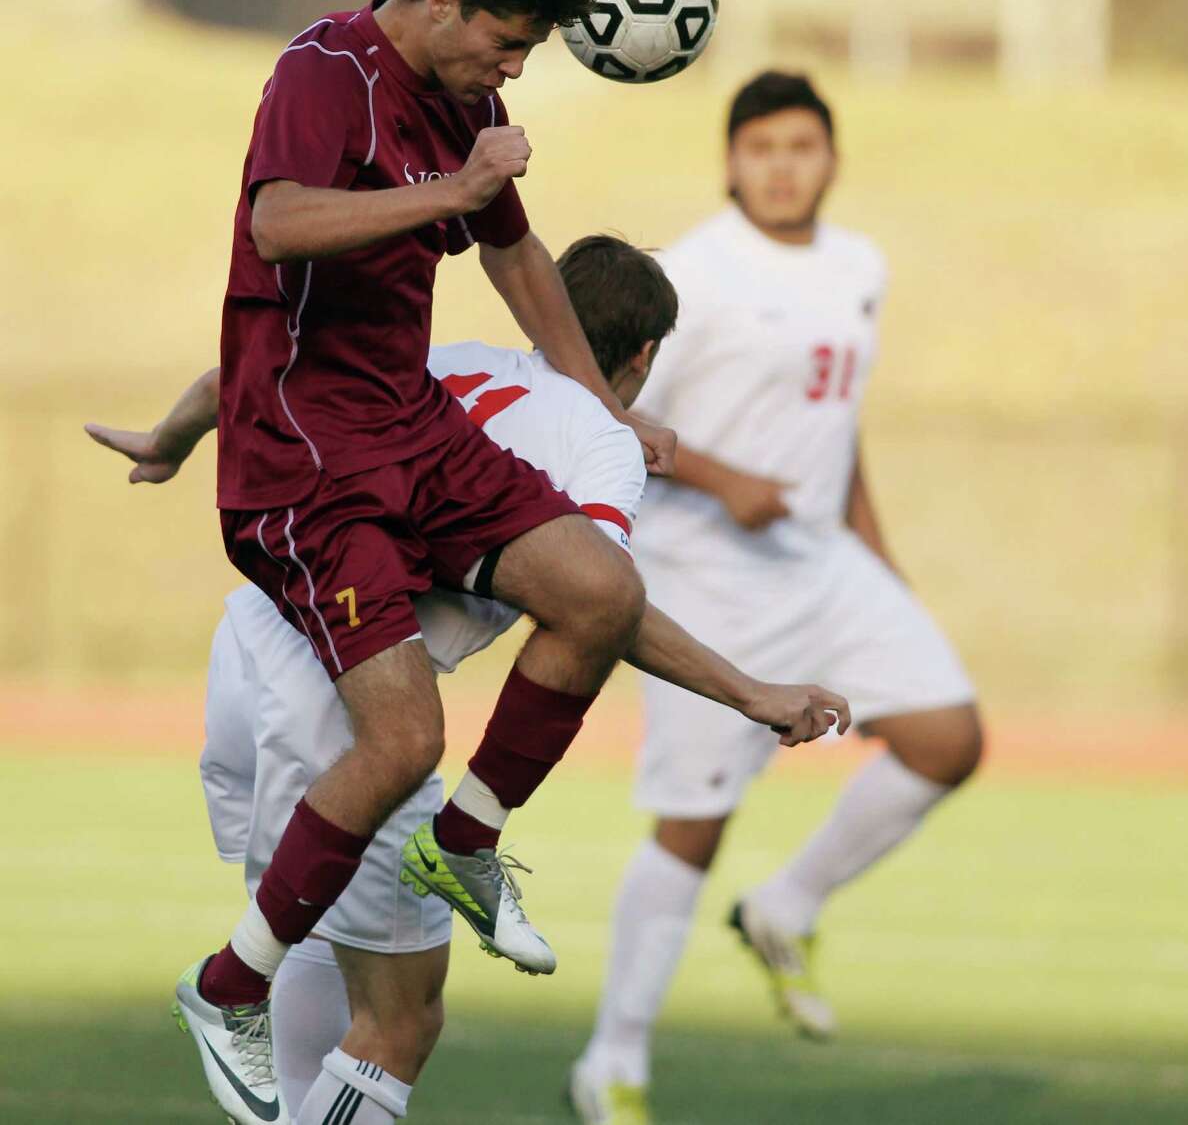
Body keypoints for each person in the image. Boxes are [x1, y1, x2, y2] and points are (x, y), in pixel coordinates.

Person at [113, 0, 679, 1125]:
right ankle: (226, 988)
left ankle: (466, 847)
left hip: (406, 432)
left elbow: (522, 258)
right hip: (308, 463)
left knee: (598, 589)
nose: (516, 74)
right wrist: (455, 195)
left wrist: (605, 417)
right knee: (403, 740)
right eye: (510, 45)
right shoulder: (325, 73)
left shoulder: (446, 93)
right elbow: (280, 226)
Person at [89, 235, 850, 1124]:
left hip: (249, 643)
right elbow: (604, 610)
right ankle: (453, 851)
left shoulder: (445, 364)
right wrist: (750, 691)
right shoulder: (600, 447)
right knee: (401, 1018)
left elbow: (251, 378)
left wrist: (170, 440)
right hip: (354, 704)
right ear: (643, 357)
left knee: (313, 922)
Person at [570, 73, 984, 1125]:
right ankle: (611, 1059)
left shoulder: (859, 267)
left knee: (948, 737)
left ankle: (788, 904)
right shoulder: (692, 274)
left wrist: (879, 560)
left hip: (827, 561)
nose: (784, 164)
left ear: (831, 158)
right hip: (711, 578)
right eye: (763, 147)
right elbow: (608, 413)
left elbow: (837, 432)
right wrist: (724, 482)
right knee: (694, 827)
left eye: (803, 144)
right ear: (732, 161)